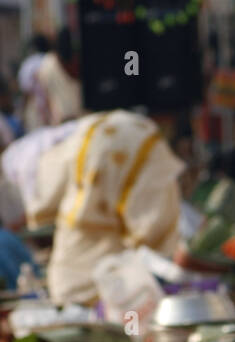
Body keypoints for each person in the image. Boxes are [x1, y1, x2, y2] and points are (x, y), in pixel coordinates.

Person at [26, 109, 183, 306]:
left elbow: (45, 195)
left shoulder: (88, 134)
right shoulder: (148, 145)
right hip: (119, 288)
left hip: (68, 273)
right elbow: (153, 228)